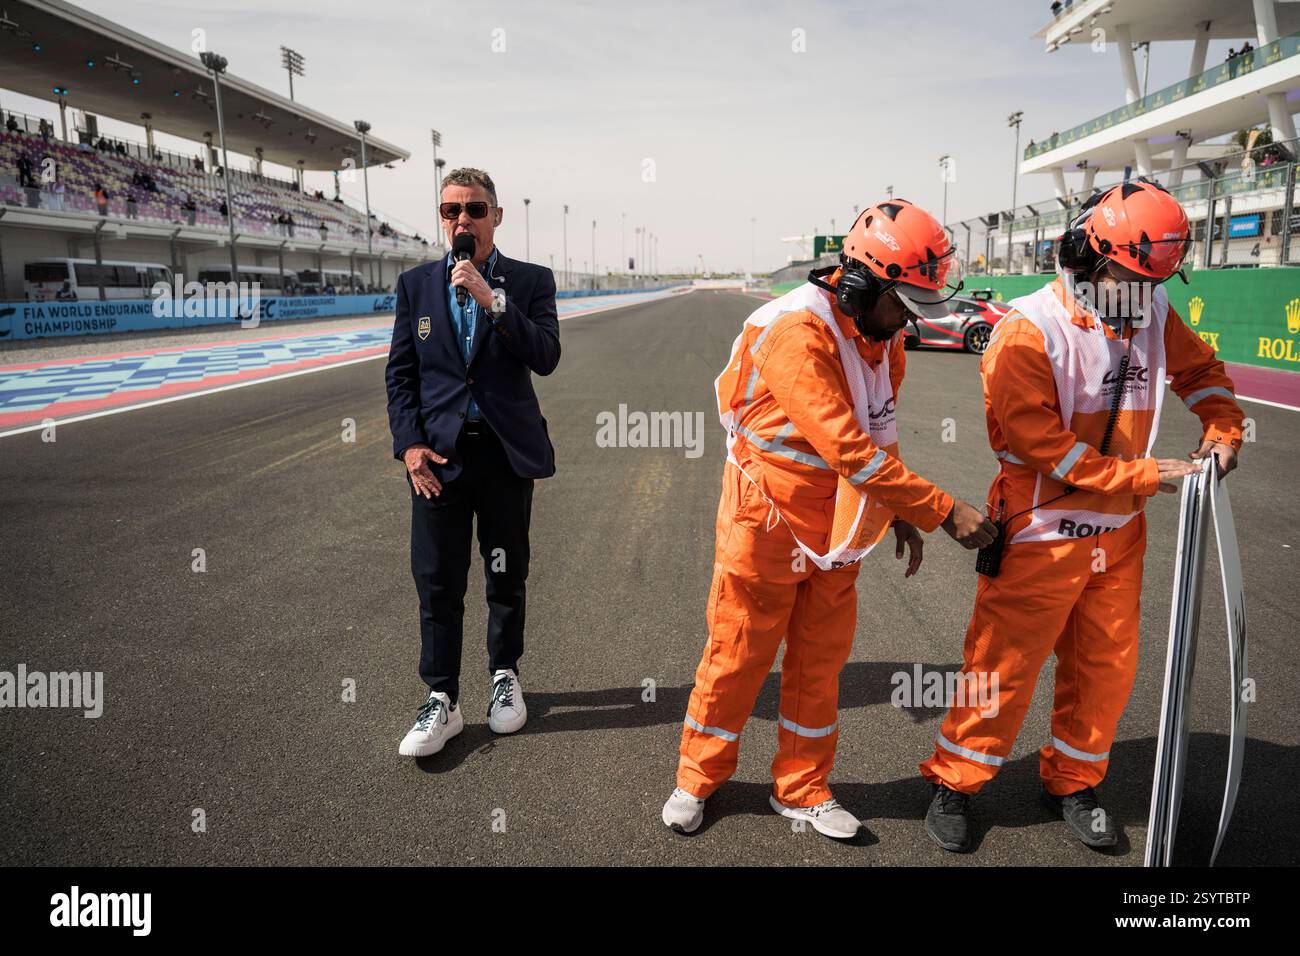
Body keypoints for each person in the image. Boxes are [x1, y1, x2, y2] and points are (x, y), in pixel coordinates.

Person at [919, 179, 1244, 853]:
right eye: (1130, 279)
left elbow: (1202, 373)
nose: (1142, 297)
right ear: (1087, 253)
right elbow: (1044, 450)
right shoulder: (1026, 332)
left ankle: (1072, 779)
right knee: (1001, 666)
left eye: (1154, 283)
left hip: (1119, 536)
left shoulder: (1152, 311)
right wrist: (1146, 476)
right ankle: (956, 780)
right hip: (1040, 532)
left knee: (1104, 669)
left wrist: (1223, 425)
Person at [661, 199, 997, 839]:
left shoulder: (883, 333)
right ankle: (696, 780)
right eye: (902, 303)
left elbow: (881, 423)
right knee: (737, 656)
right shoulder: (797, 333)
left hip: (837, 525)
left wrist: (897, 511)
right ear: (860, 283)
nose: (909, 322)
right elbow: (848, 445)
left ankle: (802, 789)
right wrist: (940, 512)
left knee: (818, 667)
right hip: (767, 518)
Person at [386, 166, 561, 758]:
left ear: (497, 216)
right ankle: (442, 699)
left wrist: (494, 302)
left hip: (505, 456)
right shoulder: (415, 286)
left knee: (505, 573)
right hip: (437, 460)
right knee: (436, 581)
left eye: (475, 209)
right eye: (451, 210)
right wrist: (409, 446)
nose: (462, 220)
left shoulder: (531, 281)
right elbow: (401, 376)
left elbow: (546, 356)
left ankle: (504, 675)